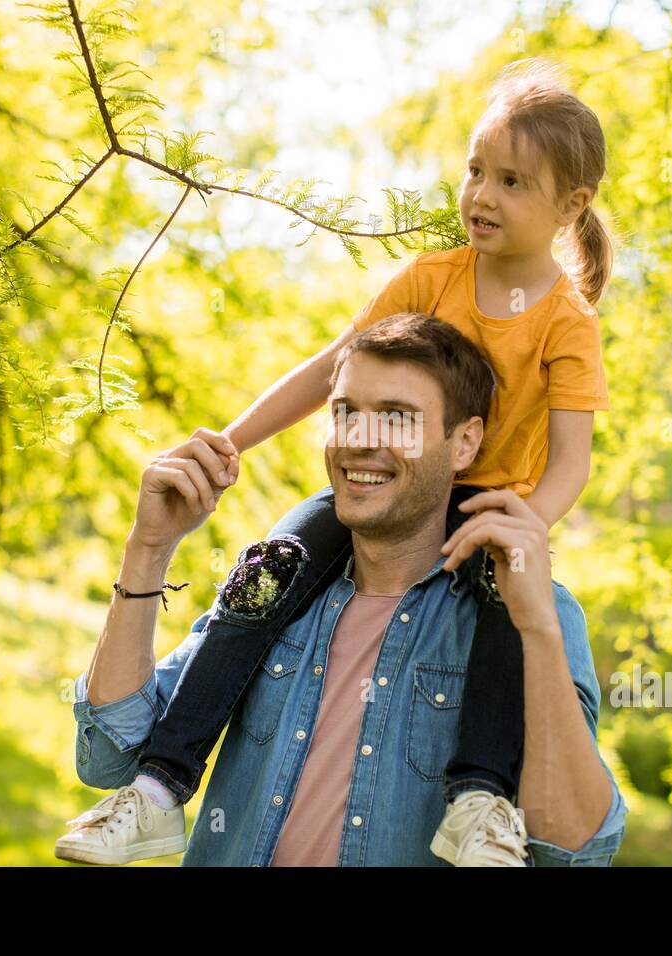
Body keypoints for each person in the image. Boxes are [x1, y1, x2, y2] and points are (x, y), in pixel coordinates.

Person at [54, 313, 626, 867]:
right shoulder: (277, 587)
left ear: (464, 443)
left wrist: (538, 629)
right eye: (347, 412)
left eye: (398, 417)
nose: (361, 440)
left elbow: (573, 850)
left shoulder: (522, 614)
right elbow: (110, 754)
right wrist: (148, 550)